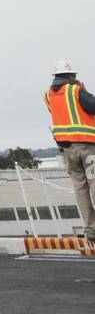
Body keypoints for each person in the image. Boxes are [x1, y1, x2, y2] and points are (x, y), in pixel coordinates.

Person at [44, 60, 95, 246]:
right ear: (70, 76)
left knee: (80, 189)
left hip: (67, 150)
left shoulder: (48, 95)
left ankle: (90, 229)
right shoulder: (76, 90)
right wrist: (84, 90)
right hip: (87, 146)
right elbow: (92, 106)